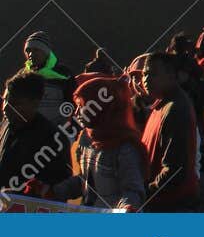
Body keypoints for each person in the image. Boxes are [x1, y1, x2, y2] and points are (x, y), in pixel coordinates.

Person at [50, 75, 145, 211]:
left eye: (81, 106)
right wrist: (54, 191)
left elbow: (133, 191)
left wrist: (126, 209)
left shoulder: (125, 148)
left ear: (101, 108)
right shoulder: (86, 138)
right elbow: (85, 181)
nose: (76, 113)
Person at [135, 53, 200, 211]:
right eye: (144, 74)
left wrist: (145, 193)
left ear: (171, 75)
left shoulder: (176, 109)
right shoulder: (161, 105)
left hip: (172, 206)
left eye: (153, 74)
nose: (146, 79)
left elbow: (175, 170)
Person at [0, 72, 72, 197]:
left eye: (15, 103)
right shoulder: (5, 125)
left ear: (35, 103)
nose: (5, 107)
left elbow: (58, 186)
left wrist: (24, 194)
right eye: (5, 100)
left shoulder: (54, 138)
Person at [21, 31, 75, 133]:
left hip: (58, 132)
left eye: (36, 50)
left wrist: (67, 128)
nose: (31, 54)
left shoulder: (63, 73)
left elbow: (73, 102)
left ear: (46, 52)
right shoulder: (23, 75)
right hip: (29, 133)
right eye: (28, 51)